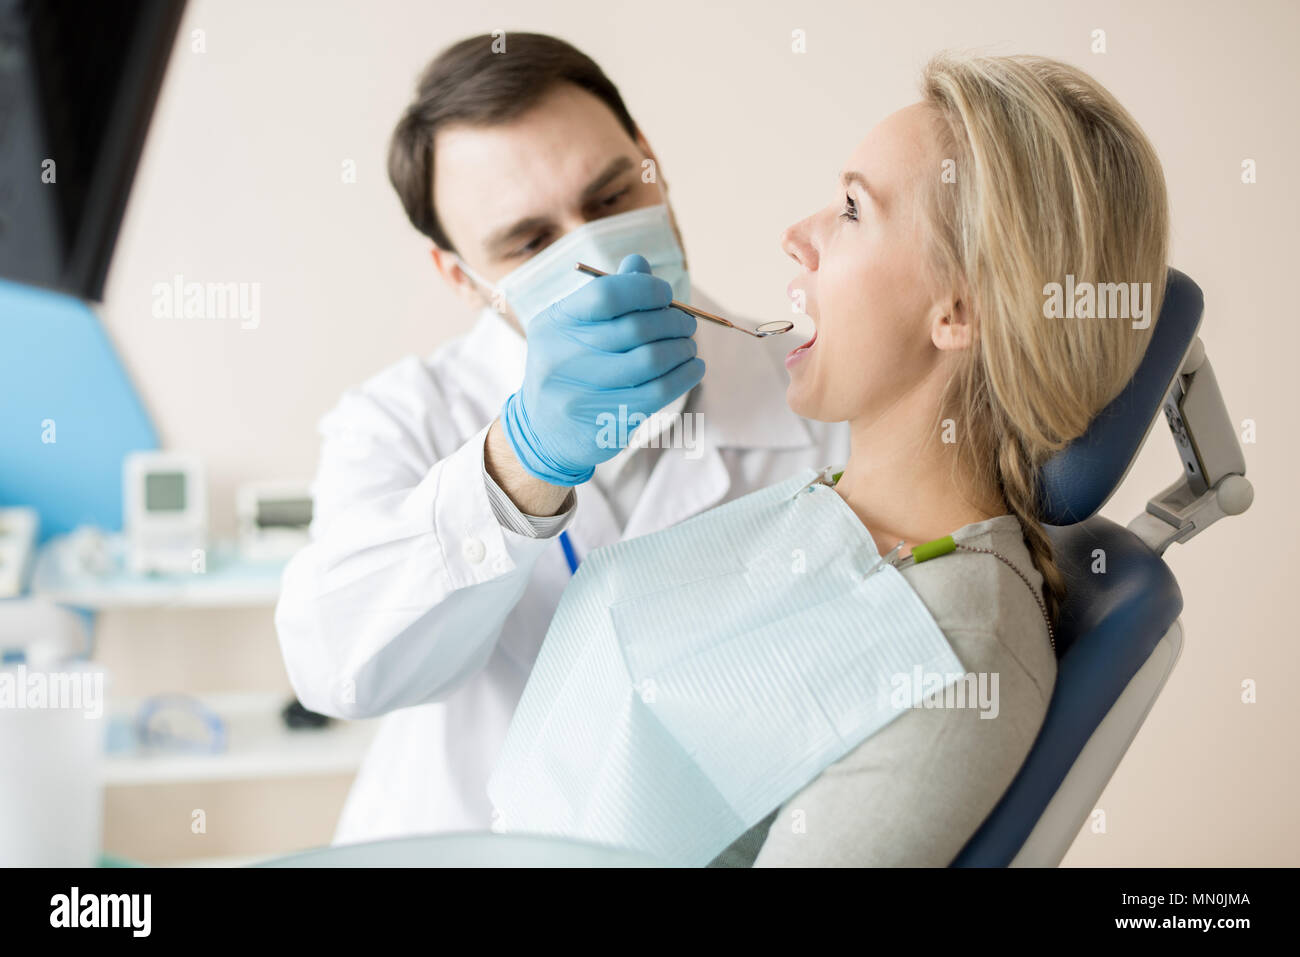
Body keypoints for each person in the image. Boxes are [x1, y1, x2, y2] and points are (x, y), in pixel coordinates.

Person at [497, 50, 1170, 867]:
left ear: (959, 310)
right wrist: (520, 460)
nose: (797, 236)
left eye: (853, 209)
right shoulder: (834, 510)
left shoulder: (957, 653)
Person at [273, 33, 849, 845]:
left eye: (614, 196)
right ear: (459, 276)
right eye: (532, 242)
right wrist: (521, 462)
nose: (597, 250)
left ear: (651, 160)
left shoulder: (819, 399)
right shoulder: (399, 418)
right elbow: (334, 666)